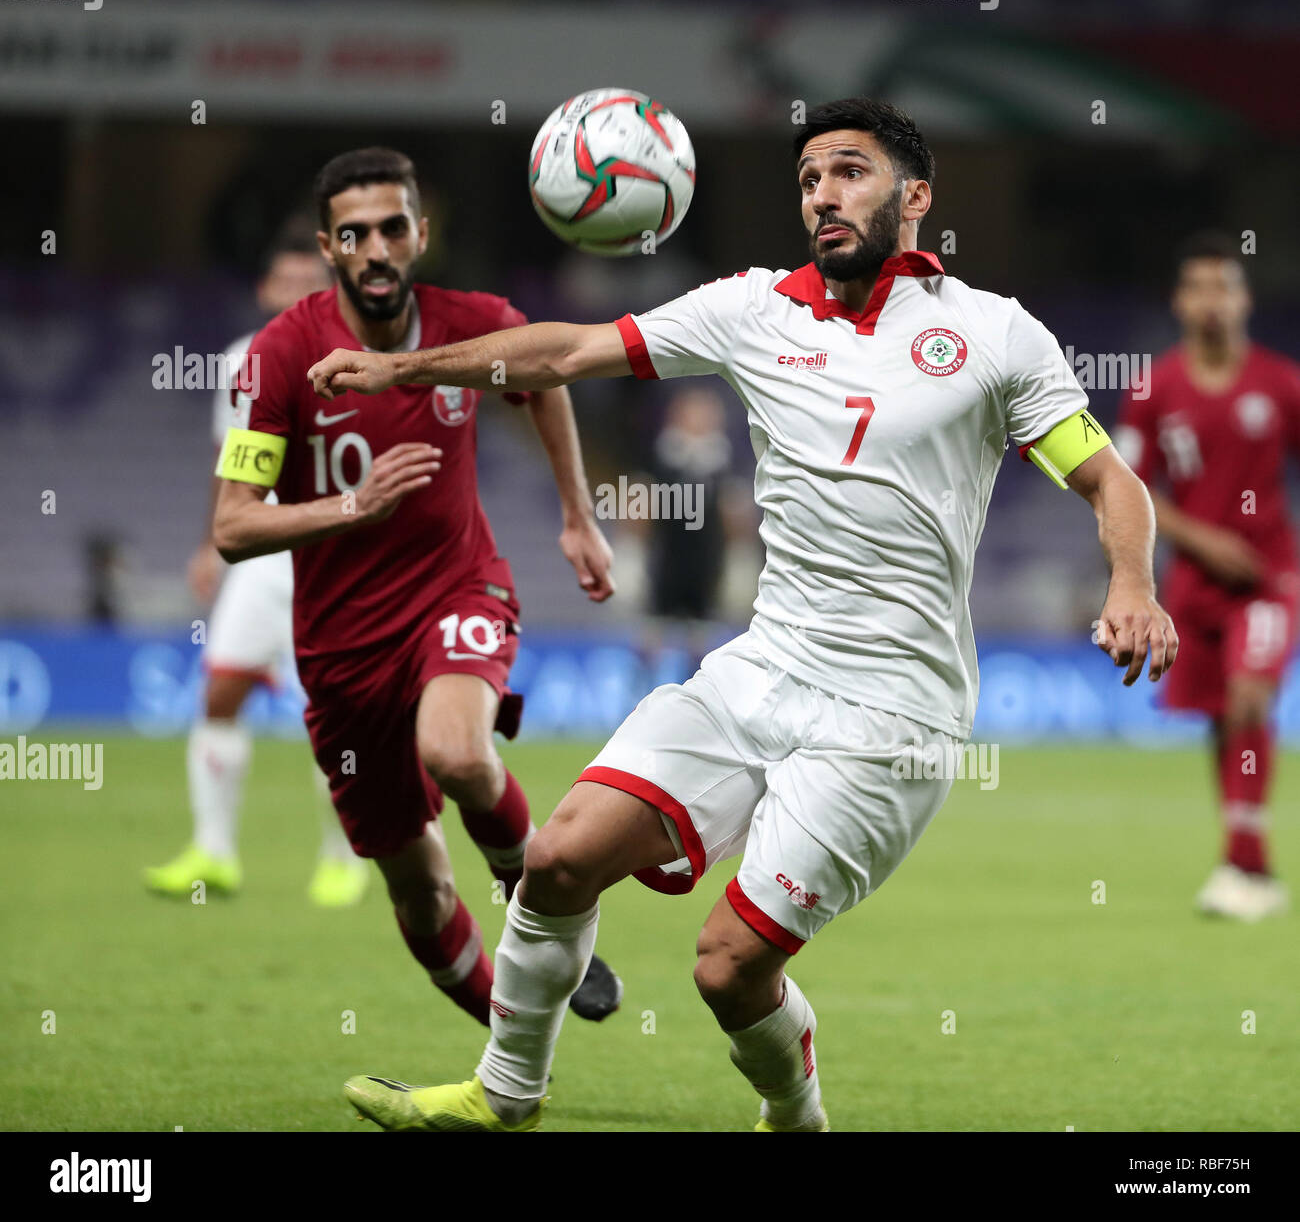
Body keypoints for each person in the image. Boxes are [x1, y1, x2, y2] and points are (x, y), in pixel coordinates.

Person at [310, 99, 1179, 1133]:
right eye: (809, 178)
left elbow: (1111, 482)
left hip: (892, 716)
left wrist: (1131, 583)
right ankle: (504, 1097)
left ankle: (796, 1116)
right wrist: (406, 367)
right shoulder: (753, 310)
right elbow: (564, 354)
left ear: (915, 197)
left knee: (727, 969)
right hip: (760, 670)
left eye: (848, 172)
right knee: (554, 861)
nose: (822, 195)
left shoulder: (992, 334)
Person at [212, 147, 622, 1024]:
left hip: (456, 593)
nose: (376, 248)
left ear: (420, 234)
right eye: (353, 234)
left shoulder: (468, 324)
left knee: (461, 752)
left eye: (392, 228)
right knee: (422, 891)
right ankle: (515, 1032)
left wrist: (577, 515)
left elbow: (545, 376)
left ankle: (538, 906)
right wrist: (351, 505)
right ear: (329, 248)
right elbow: (233, 526)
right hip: (341, 652)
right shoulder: (279, 358)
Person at [144, 229, 368, 907]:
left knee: (332, 717)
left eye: (312, 281)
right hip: (261, 556)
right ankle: (214, 853)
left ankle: (343, 859)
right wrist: (212, 543)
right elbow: (230, 454)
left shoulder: (356, 358)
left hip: (330, 560)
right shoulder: (244, 359)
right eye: (287, 280)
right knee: (220, 695)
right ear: (266, 289)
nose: (298, 292)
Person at [1116, 234, 1294, 922]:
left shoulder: (1280, 385)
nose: (1212, 301)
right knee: (1223, 718)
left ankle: (1240, 864)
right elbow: (1130, 484)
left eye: (1225, 287)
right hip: (1197, 582)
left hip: (1270, 577)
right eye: (1200, 288)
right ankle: (1254, 869)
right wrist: (1200, 538)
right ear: (1180, 302)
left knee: (1251, 695)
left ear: (1244, 300)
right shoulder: (1155, 389)